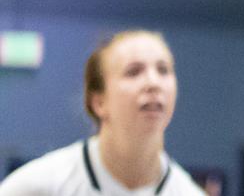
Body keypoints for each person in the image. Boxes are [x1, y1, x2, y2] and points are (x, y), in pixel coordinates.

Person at [0, 31, 205, 195]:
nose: (153, 83)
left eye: (163, 70)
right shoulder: (38, 185)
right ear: (99, 102)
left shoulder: (188, 191)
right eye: (133, 71)